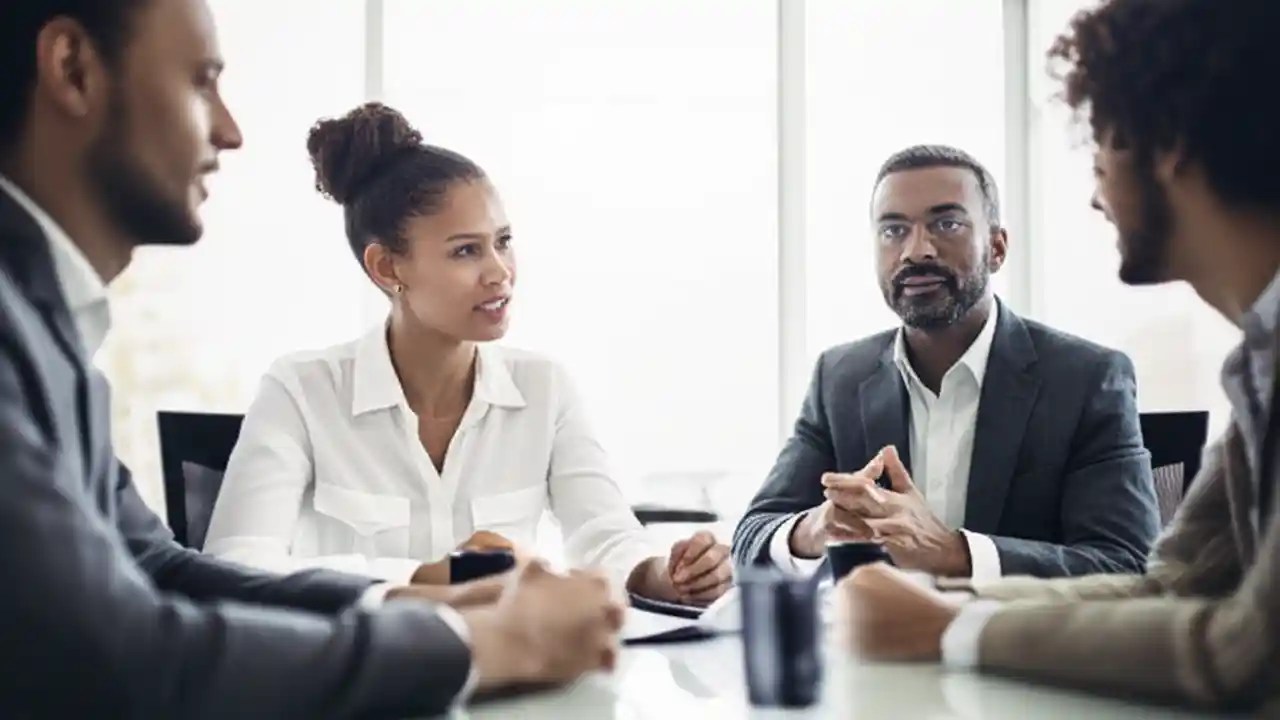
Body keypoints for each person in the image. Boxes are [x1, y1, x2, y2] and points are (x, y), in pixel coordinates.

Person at [0, 1, 622, 716]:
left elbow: (158, 568)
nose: (230, 130)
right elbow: (114, 660)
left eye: (502, 242)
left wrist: (422, 604)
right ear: (73, 69)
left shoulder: (46, 333)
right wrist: (475, 645)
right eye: (200, 81)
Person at [840, 0, 1280, 712]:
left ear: (1168, 144)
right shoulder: (1259, 363)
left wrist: (952, 628)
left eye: (1101, 146)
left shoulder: (1101, 374)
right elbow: (1172, 583)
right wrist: (945, 602)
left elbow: (1251, 652)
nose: (1097, 195)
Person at [204, 102, 735, 606]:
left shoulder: (544, 387)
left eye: (502, 241)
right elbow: (237, 565)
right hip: (362, 665)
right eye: (466, 251)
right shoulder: (301, 391)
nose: (500, 272)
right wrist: (432, 577)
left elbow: (605, 536)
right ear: (387, 268)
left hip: (508, 663)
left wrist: (668, 575)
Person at [734, 145, 1159, 580]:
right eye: (893, 230)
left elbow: (1126, 565)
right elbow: (751, 536)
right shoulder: (839, 377)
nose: (916, 251)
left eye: (947, 224)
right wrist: (816, 528)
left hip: (1009, 625)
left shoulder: (1087, 378)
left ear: (996, 248)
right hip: (871, 625)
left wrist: (955, 553)